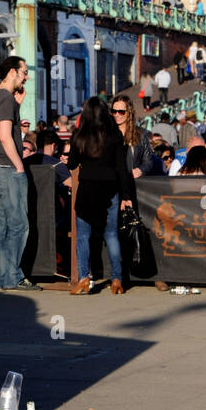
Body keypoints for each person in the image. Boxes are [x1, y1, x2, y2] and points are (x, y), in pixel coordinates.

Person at [0, 56, 40, 291]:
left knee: (1, 226)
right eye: (24, 72)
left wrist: (17, 105)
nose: (27, 76)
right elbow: (6, 136)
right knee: (18, 225)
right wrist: (19, 166)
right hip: (6, 167)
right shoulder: (5, 99)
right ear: (13, 72)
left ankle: (0, 277)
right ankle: (13, 277)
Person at [67, 97, 132, 295]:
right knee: (111, 234)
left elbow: (71, 163)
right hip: (110, 189)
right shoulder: (114, 135)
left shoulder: (79, 135)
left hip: (87, 188)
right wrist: (126, 195)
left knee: (83, 236)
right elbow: (122, 168)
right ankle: (117, 280)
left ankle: (84, 278)